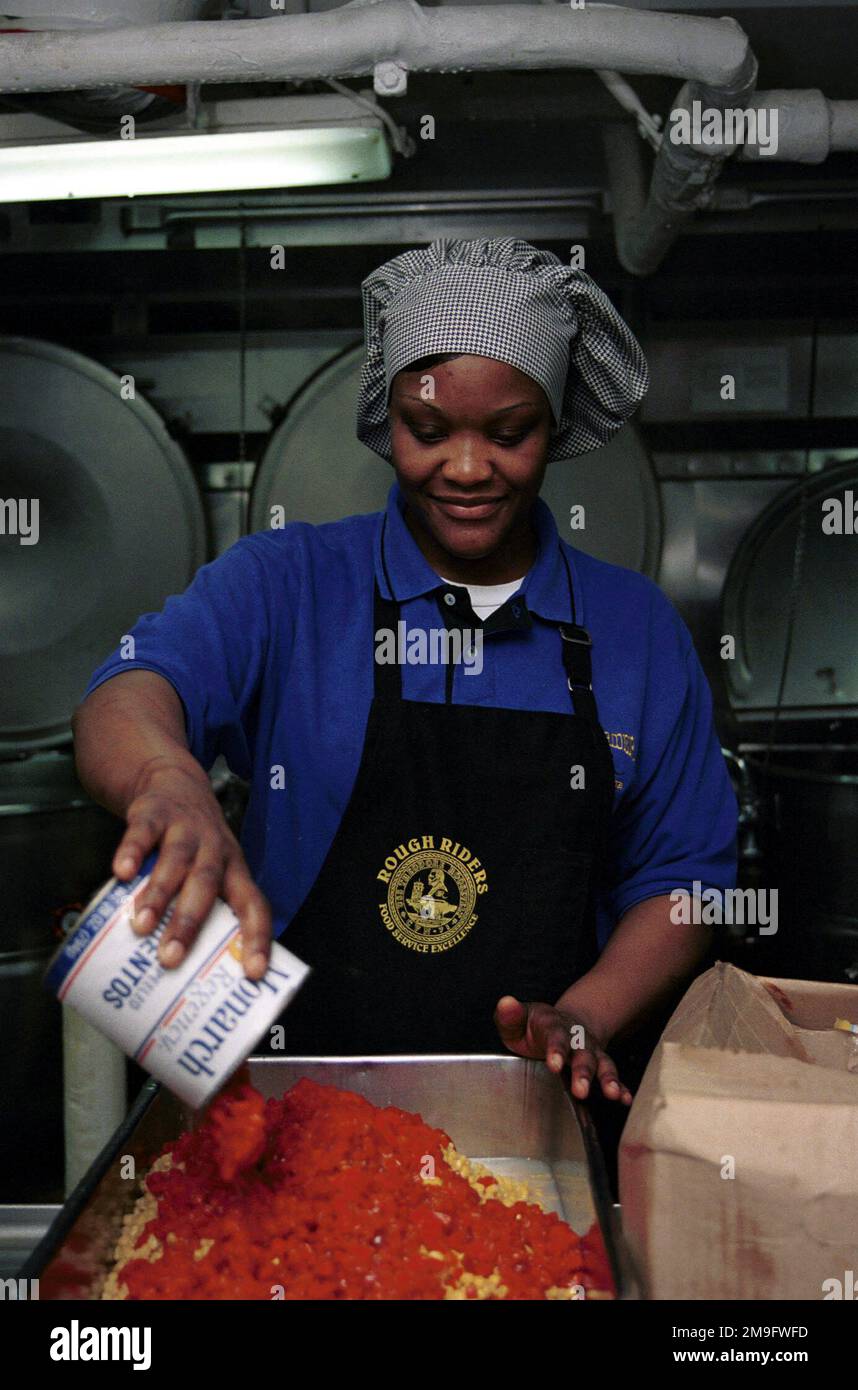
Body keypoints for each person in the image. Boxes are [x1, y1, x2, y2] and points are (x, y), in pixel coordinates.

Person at [73, 237, 737, 1106]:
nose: (467, 470)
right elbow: (129, 689)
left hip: (532, 1124)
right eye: (430, 431)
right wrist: (167, 776)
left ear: (557, 427)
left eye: (510, 433)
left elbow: (683, 880)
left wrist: (585, 1016)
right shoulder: (289, 584)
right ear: (389, 420)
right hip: (289, 1107)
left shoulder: (634, 628)